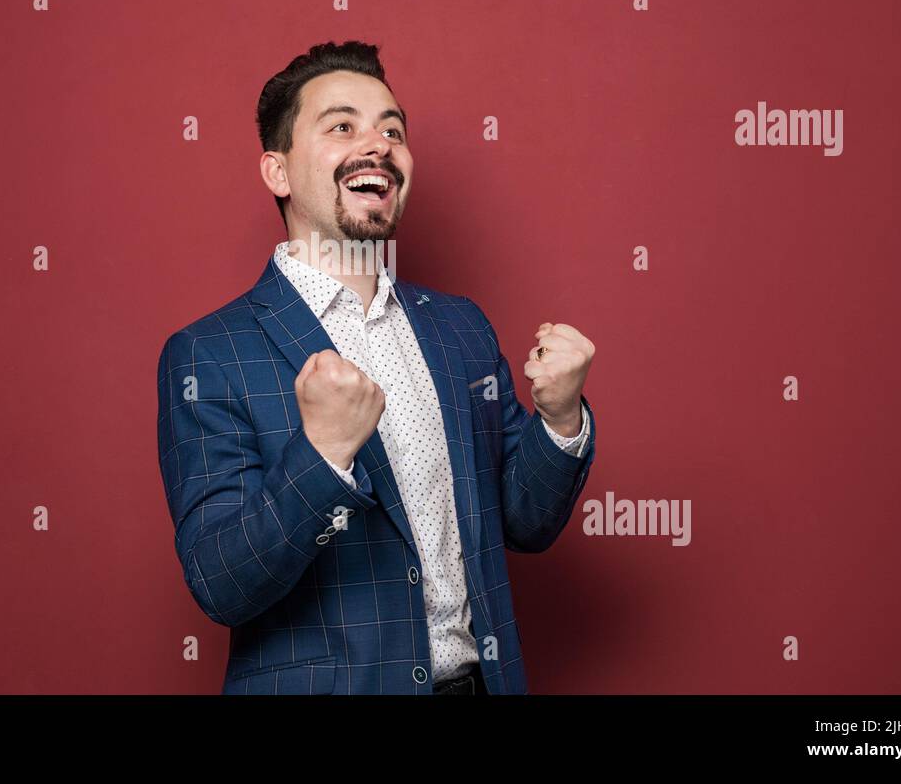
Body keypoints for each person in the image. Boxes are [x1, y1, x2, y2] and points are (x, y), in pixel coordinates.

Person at [156, 40, 596, 694]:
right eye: (342, 127)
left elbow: (524, 523)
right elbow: (222, 584)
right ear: (277, 172)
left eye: (393, 130)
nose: (379, 145)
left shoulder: (461, 329)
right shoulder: (209, 354)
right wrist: (323, 454)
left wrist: (559, 419)